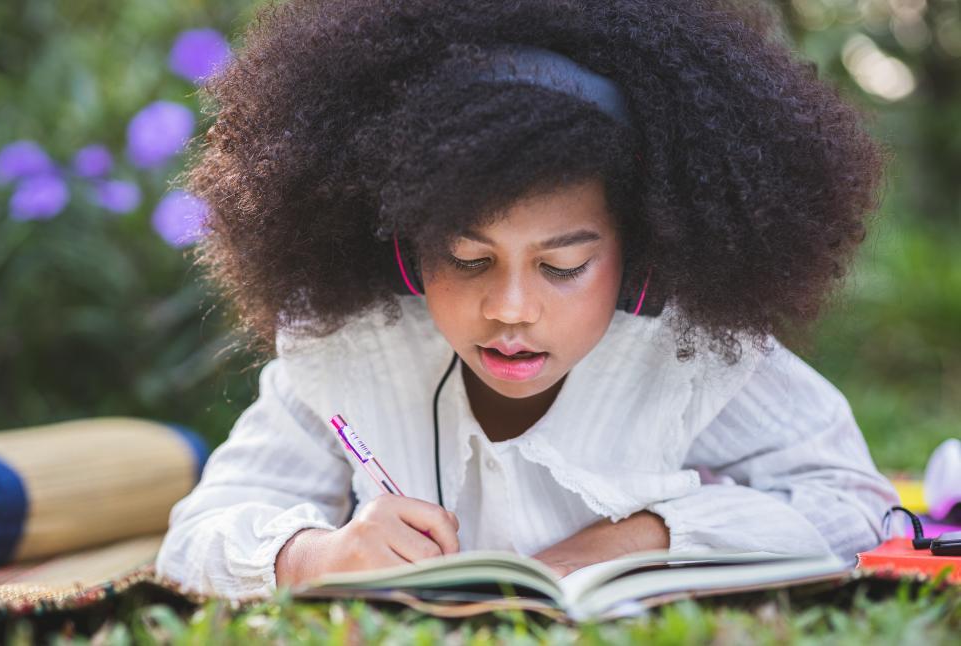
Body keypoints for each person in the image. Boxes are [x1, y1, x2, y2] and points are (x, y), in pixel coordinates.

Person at [154, 0, 900, 599]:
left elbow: (855, 504)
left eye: (564, 265)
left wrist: (643, 536)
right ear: (405, 254)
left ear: (638, 259)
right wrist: (315, 554)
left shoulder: (690, 352)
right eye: (468, 258)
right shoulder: (350, 347)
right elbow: (195, 536)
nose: (511, 307)